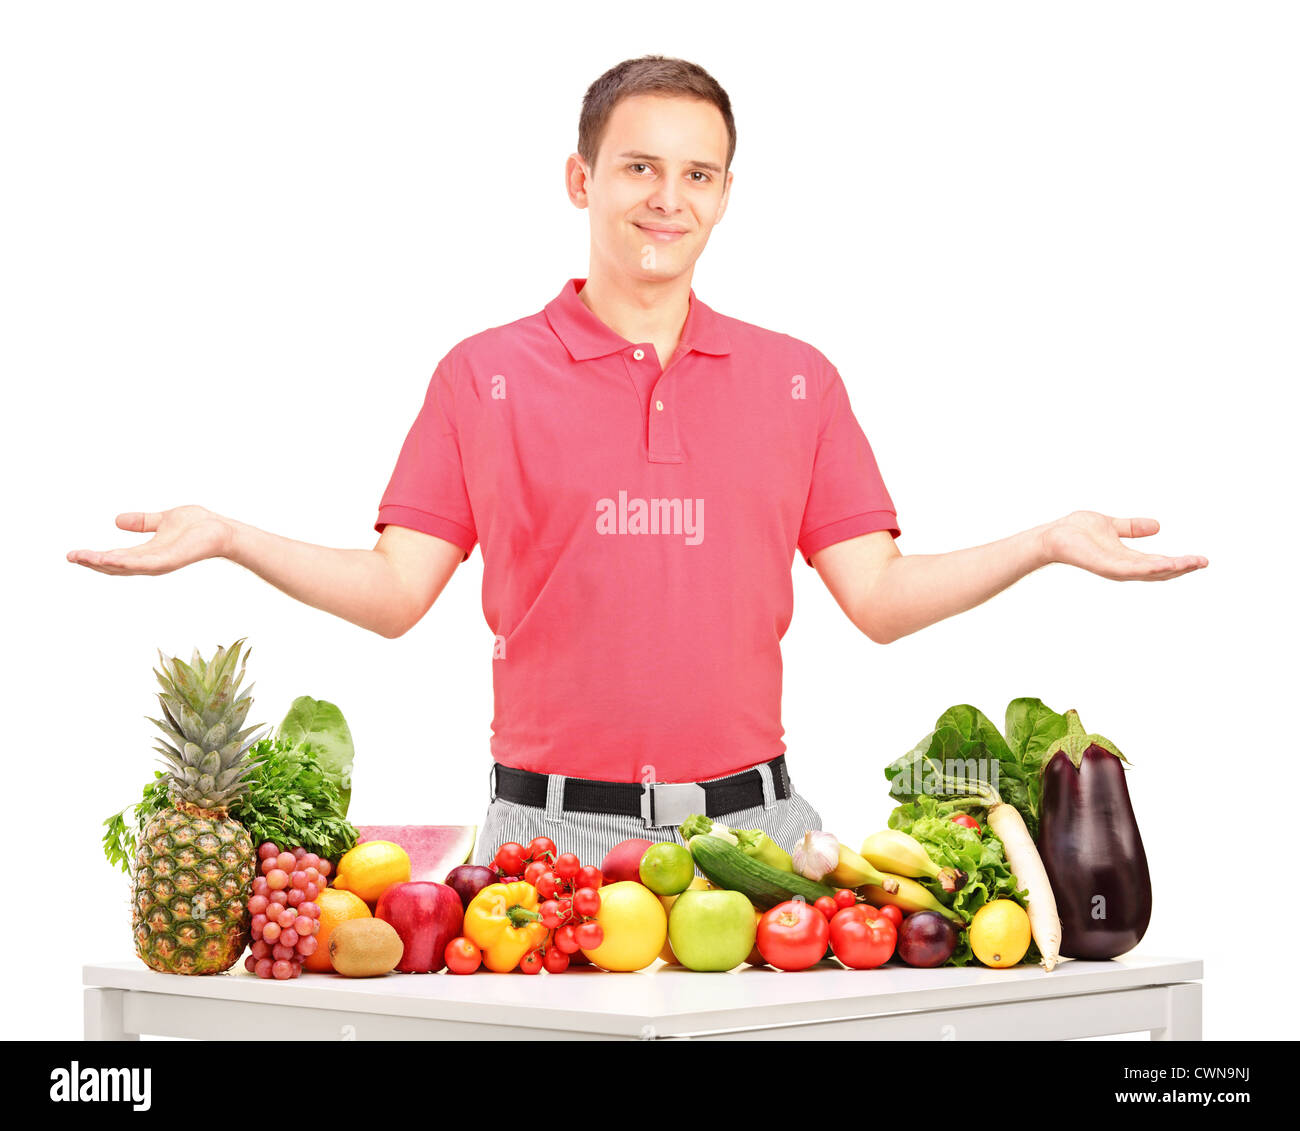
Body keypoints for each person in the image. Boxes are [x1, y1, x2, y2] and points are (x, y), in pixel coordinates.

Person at [66, 55, 1207, 869]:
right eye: (639, 169)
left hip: (756, 835)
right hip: (541, 840)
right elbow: (393, 592)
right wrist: (227, 537)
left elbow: (880, 599)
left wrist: (1046, 544)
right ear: (581, 179)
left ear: (724, 194)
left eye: (698, 175)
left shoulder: (796, 378)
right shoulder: (482, 375)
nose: (667, 200)